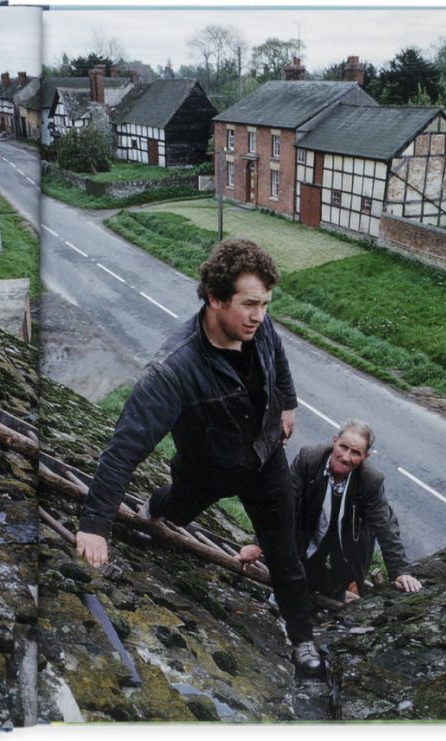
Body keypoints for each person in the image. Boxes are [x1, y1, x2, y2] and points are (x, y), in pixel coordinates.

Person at [74, 238, 321, 674]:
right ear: (214, 297)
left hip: (265, 462)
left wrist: (287, 403)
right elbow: (122, 450)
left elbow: (278, 357)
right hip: (206, 470)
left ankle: (303, 643)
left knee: (285, 556)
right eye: (249, 304)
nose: (259, 316)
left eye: (264, 304)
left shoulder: (259, 328)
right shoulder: (174, 370)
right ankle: (156, 504)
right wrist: (95, 525)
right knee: (174, 512)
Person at [286, 420, 421, 601]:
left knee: (347, 591)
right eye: (343, 447)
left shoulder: (371, 480)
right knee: (300, 571)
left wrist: (400, 571)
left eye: (356, 453)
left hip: (349, 542)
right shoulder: (309, 459)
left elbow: (385, 526)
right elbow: (284, 504)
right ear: (335, 441)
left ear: (365, 456)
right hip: (311, 529)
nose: (346, 457)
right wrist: (259, 544)